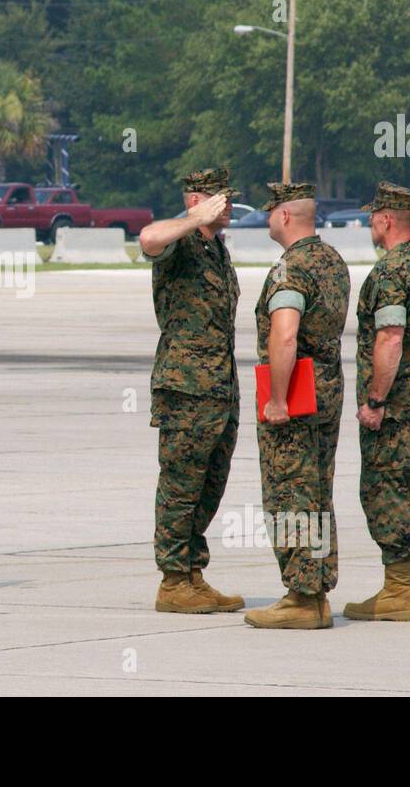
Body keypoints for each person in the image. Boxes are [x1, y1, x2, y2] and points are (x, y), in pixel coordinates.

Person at [243, 183, 350, 630]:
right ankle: (318, 591)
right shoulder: (333, 262)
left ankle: (302, 597)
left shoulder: (291, 269)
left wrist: (277, 400)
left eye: (271, 211)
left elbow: (285, 335)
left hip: (297, 398)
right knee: (318, 493)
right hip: (327, 391)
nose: (267, 218)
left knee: (290, 495)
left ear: (285, 216)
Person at [137, 168, 244, 614]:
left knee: (210, 484)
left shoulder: (216, 249)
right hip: (186, 387)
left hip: (219, 386)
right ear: (201, 200)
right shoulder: (179, 241)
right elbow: (147, 239)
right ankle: (173, 580)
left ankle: (193, 574)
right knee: (180, 485)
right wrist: (191, 217)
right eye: (224, 200)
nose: (232, 208)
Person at [345, 181, 410, 622]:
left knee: (384, 488)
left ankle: (398, 590)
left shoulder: (390, 273)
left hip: (396, 398)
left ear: (387, 220)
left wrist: (375, 399)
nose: (370, 223)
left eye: (373, 216)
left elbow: (389, 337)